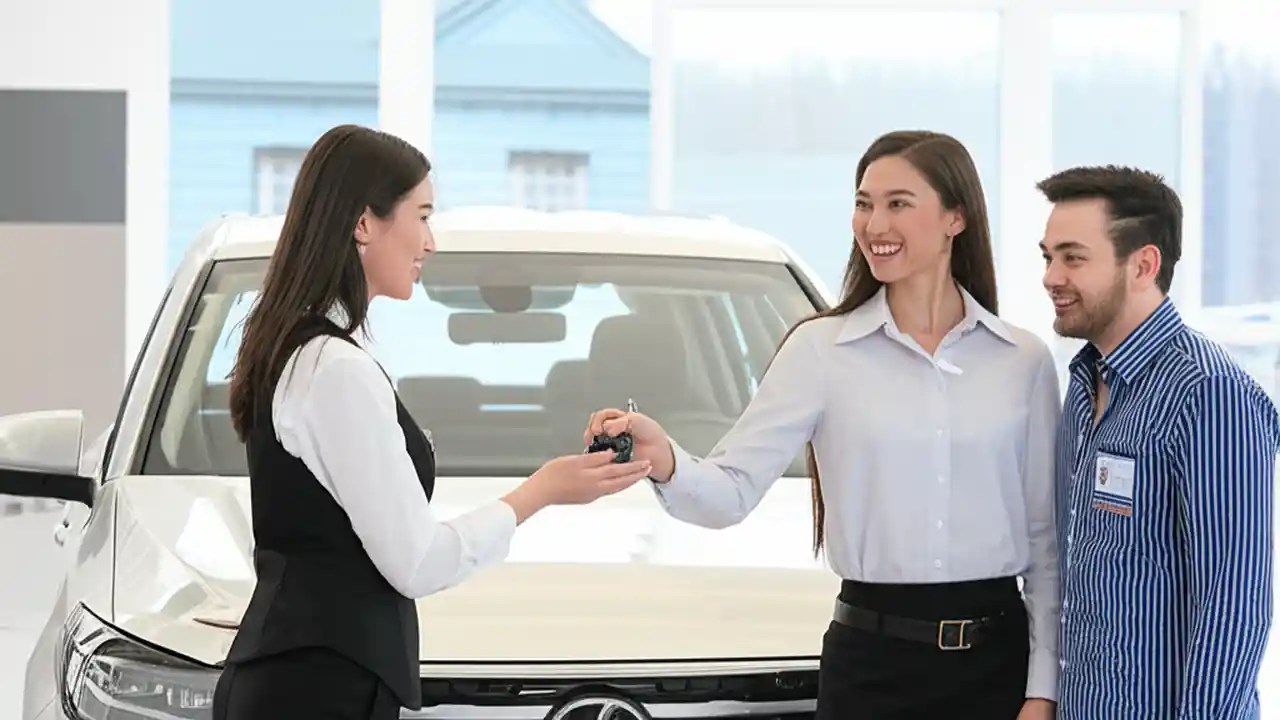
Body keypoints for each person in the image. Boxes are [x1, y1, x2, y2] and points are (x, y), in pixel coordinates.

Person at [586, 130, 1061, 719]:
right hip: (871, 668)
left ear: (955, 218)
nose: (874, 224)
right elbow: (729, 494)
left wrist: (1042, 692)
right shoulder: (820, 351)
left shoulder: (1023, 360)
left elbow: (1046, 543)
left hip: (997, 668)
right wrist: (667, 459)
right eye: (863, 204)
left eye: (898, 204)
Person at [211, 124, 653, 720]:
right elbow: (416, 562)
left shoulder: (296, 350)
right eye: (422, 215)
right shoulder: (335, 369)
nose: (431, 242)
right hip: (321, 692)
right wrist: (540, 492)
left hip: (300, 680)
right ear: (363, 223)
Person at [1037, 165, 1280, 718]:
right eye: (1047, 257)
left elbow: (1232, 606)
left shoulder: (1209, 394)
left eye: (1073, 258)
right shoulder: (1082, 386)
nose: (1052, 276)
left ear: (1143, 264)